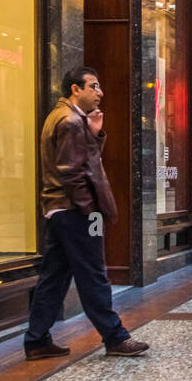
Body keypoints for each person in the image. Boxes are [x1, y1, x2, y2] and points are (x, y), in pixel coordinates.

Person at [24, 66, 149, 359]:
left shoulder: (65, 117)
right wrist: (88, 209)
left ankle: (36, 340)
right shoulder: (69, 121)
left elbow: (82, 160)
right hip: (73, 211)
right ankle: (115, 337)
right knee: (94, 274)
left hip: (59, 210)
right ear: (75, 89)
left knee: (53, 278)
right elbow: (73, 173)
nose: (100, 93)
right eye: (93, 86)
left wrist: (94, 133)